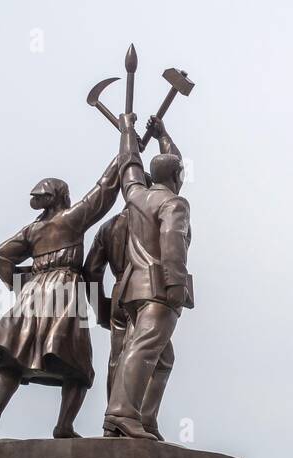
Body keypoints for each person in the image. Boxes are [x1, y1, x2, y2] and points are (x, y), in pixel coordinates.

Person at [0, 157, 121, 444]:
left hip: (32, 292)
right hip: (64, 289)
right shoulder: (73, 218)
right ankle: (64, 425)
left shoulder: (32, 231)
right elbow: (105, 189)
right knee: (79, 365)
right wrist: (125, 153)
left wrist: (19, 282)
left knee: (11, 357)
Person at [83, 115, 181, 441]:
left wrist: (128, 130)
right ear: (177, 177)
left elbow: (129, 165)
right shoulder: (172, 202)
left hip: (125, 295)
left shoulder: (136, 196)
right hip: (157, 287)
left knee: (156, 357)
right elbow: (172, 242)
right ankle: (123, 414)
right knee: (144, 350)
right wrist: (176, 284)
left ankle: (140, 418)